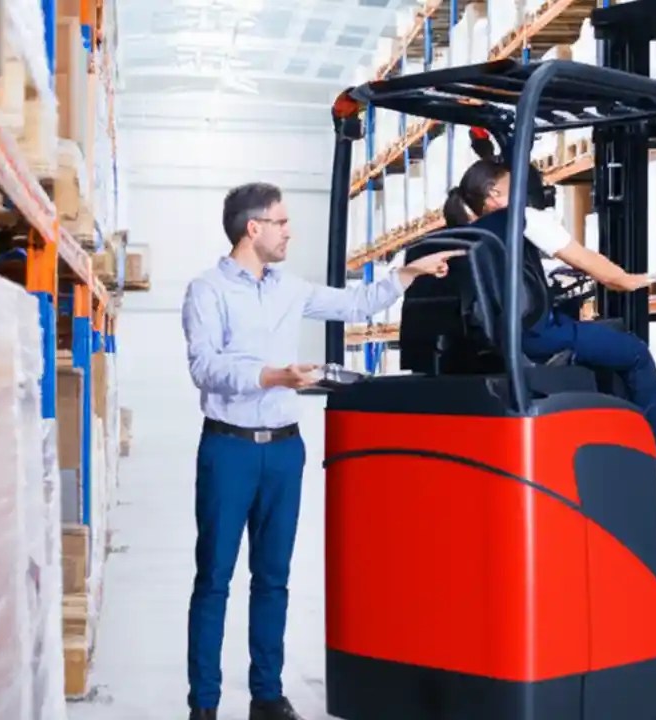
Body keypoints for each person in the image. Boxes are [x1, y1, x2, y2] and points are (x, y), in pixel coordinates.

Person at [180, 181, 461, 720]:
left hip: (285, 451)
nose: (290, 231)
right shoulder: (207, 290)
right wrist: (274, 375)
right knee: (214, 578)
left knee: (274, 577)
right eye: (281, 222)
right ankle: (205, 705)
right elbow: (205, 367)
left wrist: (408, 273)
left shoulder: (291, 288)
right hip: (230, 449)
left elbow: (354, 303)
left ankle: (266, 694)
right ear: (252, 228)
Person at [442, 157, 656, 464]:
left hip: (497, 342)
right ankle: (652, 464)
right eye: (516, 183)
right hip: (538, 338)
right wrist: (632, 280)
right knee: (635, 354)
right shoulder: (523, 219)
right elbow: (591, 264)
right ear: (495, 192)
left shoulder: (471, 234)